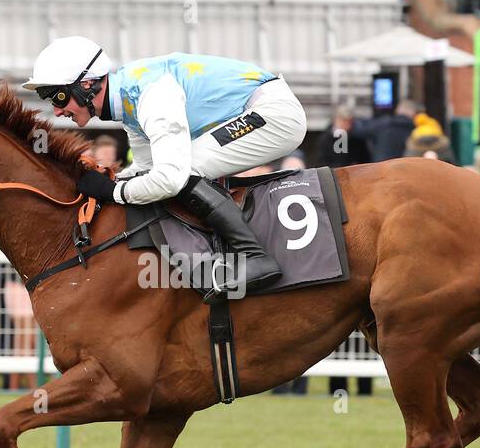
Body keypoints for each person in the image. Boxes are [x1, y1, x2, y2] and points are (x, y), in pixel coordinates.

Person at [25, 36, 307, 295]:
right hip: (257, 107)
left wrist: (112, 192)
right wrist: (106, 182)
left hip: (275, 113)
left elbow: (170, 179)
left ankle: (255, 257)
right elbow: (145, 169)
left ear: (87, 84)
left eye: (59, 97)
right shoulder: (128, 101)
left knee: (186, 169)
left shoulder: (150, 95)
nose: (58, 110)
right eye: (51, 100)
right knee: (180, 167)